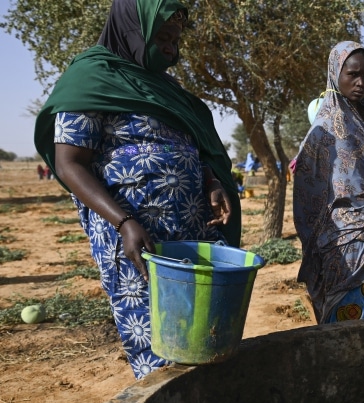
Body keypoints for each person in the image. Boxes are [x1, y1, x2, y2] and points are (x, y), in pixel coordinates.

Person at [33, 0, 240, 379]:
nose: (172, 47)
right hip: (136, 236)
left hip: (191, 230)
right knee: (160, 340)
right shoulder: (92, 77)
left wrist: (211, 182)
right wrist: (124, 221)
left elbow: (196, 148)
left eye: (176, 39)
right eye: (163, 37)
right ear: (133, 29)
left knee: (204, 332)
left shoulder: (167, 89)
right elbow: (69, 163)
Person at [292, 41, 364, 323]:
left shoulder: (362, 121)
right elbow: (309, 189)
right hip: (346, 244)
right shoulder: (325, 128)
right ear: (335, 73)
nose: (361, 82)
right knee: (351, 321)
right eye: (353, 74)